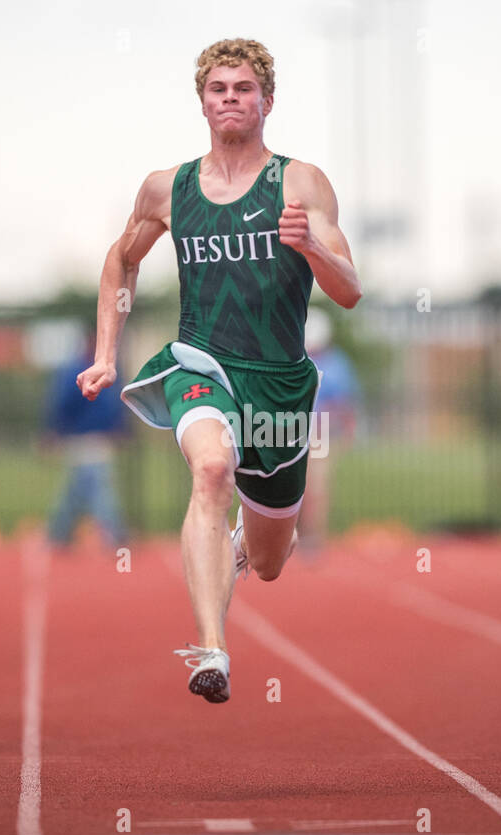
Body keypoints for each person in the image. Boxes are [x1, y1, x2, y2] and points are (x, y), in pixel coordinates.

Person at [77, 38, 362, 703]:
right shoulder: (167, 188)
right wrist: (104, 352)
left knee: (267, 563)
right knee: (210, 469)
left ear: (267, 100)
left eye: (242, 88)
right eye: (218, 88)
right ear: (202, 101)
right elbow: (121, 261)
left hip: (281, 384)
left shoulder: (301, 183)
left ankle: (240, 546)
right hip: (200, 363)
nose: (230, 98)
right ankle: (211, 649)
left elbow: (349, 289)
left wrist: (314, 246)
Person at [44, 328, 129, 549]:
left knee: (79, 490)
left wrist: (120, 427)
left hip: (99, 439)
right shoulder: (74, 371)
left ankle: (59, 534)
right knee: (96, 491)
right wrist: (54, 430)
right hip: (80, 439)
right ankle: (112, 532)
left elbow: (117, 405)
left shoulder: (109, 370)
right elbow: (61, 404)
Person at [298, 307, 359, 554]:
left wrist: (346, 432)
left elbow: (344, 402)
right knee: (291, 488)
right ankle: (290, 535)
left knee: (316, 488)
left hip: (320, 434)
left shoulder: (336, 363)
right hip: (290, 432)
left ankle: (312, 538)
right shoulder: (295, 359)